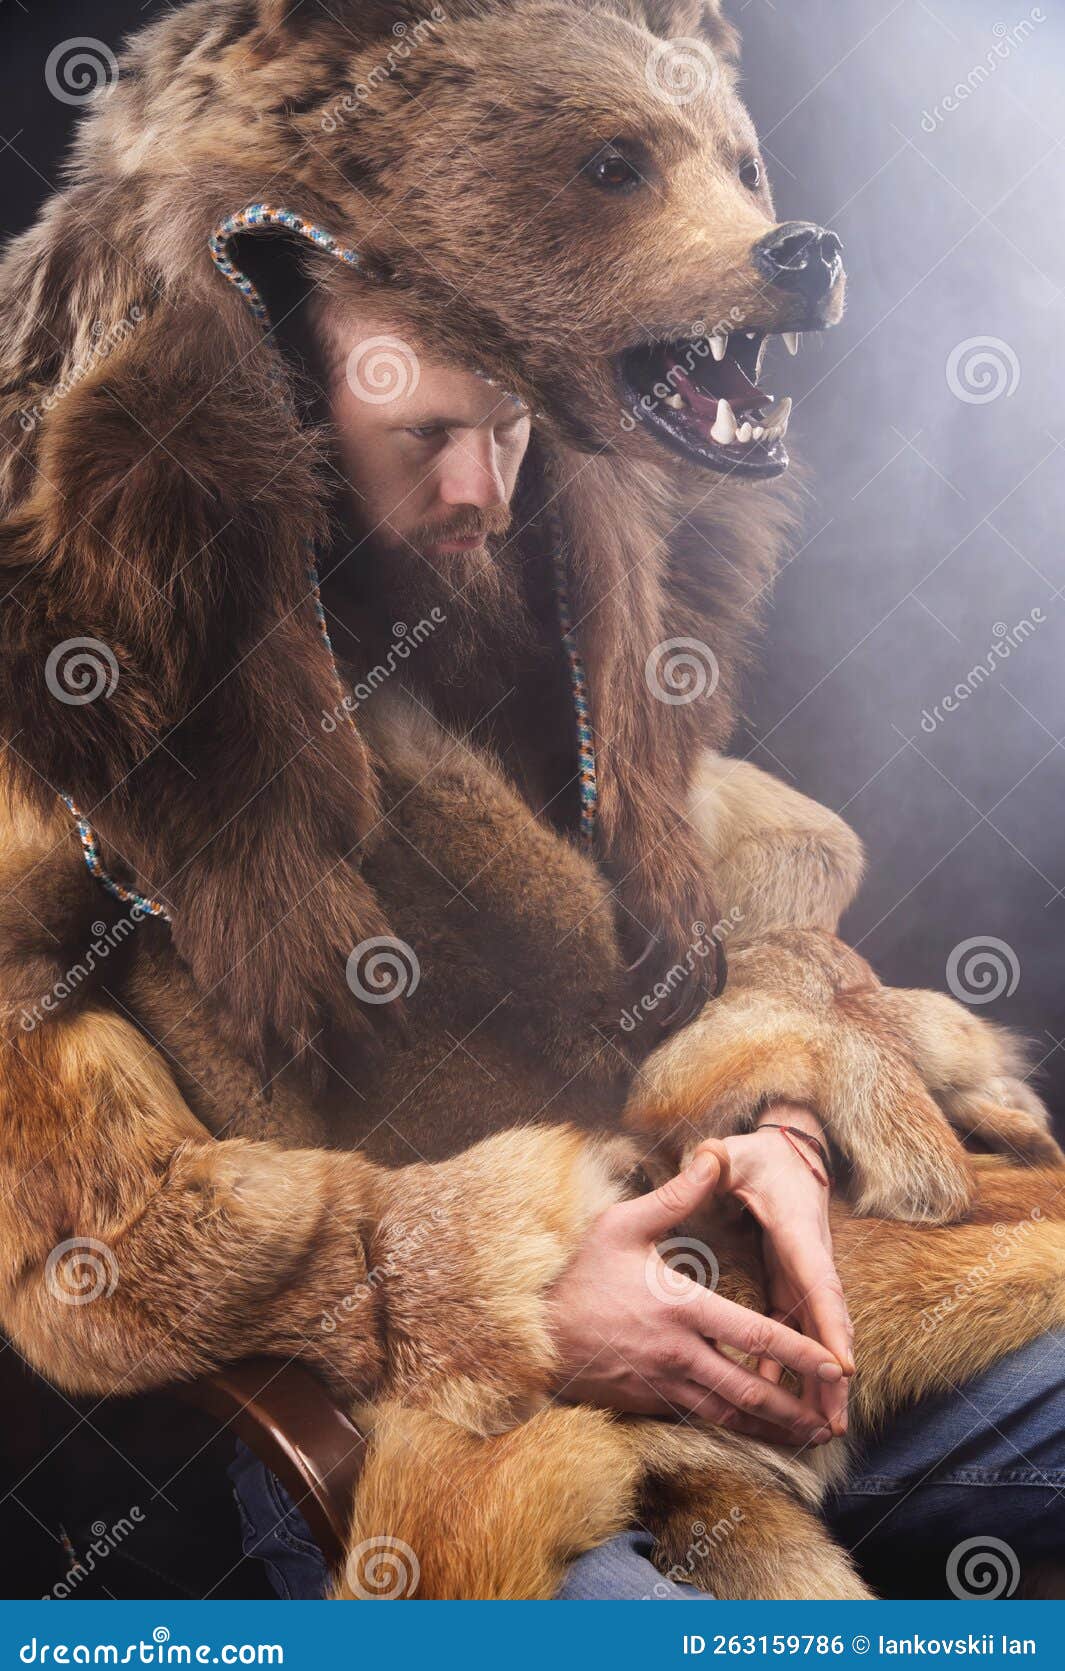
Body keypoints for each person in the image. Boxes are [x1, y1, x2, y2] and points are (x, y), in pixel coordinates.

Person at [225, 299, 1065, 1601]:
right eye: (424, 433)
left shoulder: (559, 654)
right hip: (434, 1425)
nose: (481, 493)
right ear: (293, 418)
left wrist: (779, 1114)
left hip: (757, 1318)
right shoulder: (138, 738)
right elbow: (83, 1209)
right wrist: (499, 1302)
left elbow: (764, 925)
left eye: (506, 428)